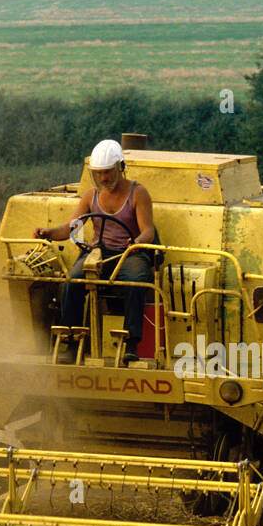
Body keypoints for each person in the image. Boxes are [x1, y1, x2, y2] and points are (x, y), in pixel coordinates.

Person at [34, 139, 156, 364]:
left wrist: (136, 242)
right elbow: (71, 227)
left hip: (129, 253)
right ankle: (71, 342)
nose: (103, 178)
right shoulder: (90, 196)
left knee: (137, 281)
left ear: (120, 167)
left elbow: (148, 230)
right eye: (98, 174)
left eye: (107, 172)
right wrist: (48, 232)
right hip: (99, 253)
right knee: (74, 280)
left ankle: (131, 344)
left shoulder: (138, 194)